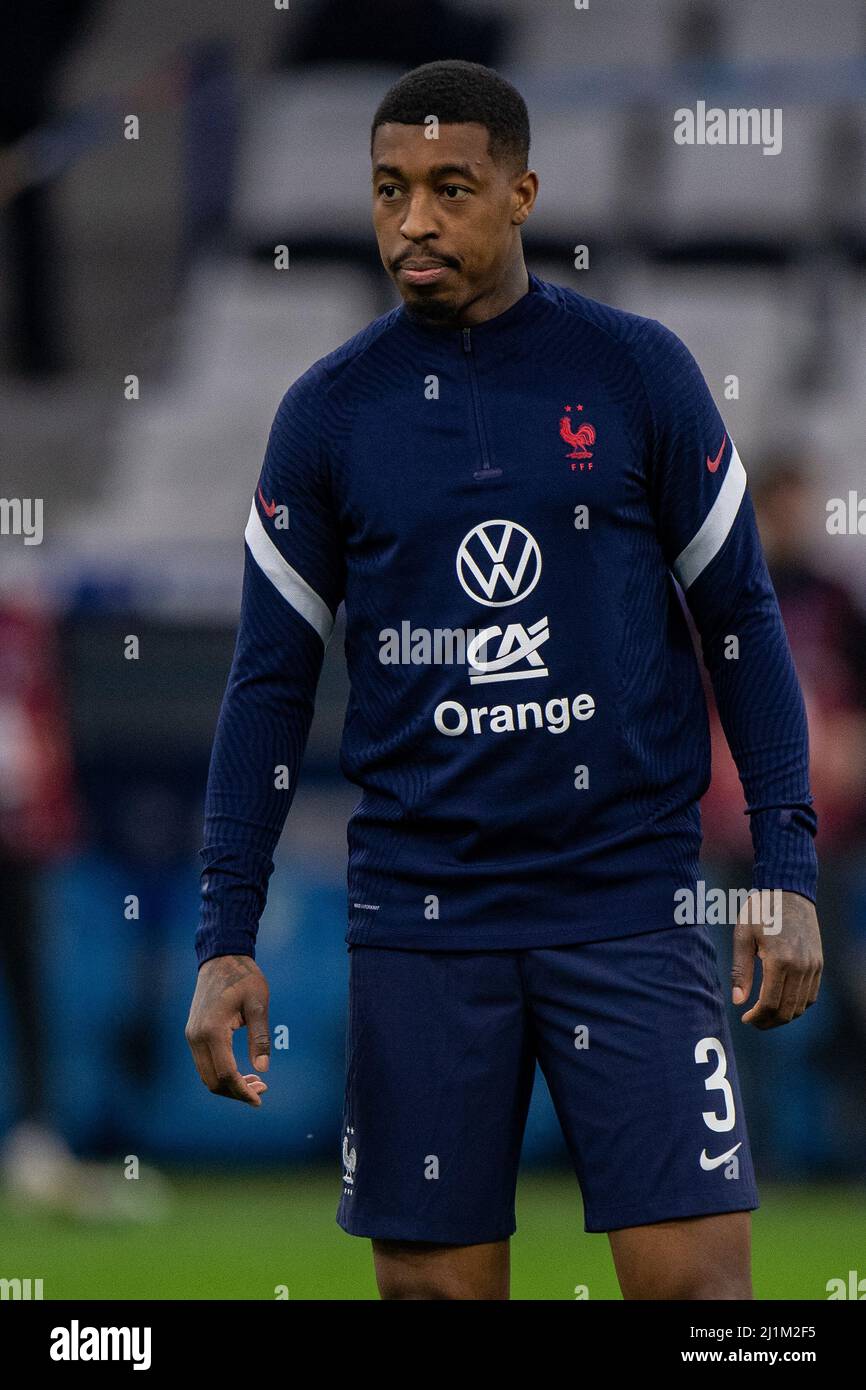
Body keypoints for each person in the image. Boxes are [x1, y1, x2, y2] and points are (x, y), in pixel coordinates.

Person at [186, 61, 823, 1301]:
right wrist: (223, 935)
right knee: (432, 1298)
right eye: (388, 190)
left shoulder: (636, 373)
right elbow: (267, 686)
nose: (413, 219)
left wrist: (787, 869)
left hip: (628, 902)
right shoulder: (327, 417)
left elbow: (740, 623)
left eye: (449, 187)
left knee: (704, 1300)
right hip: (424, 917)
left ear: (521, 191)